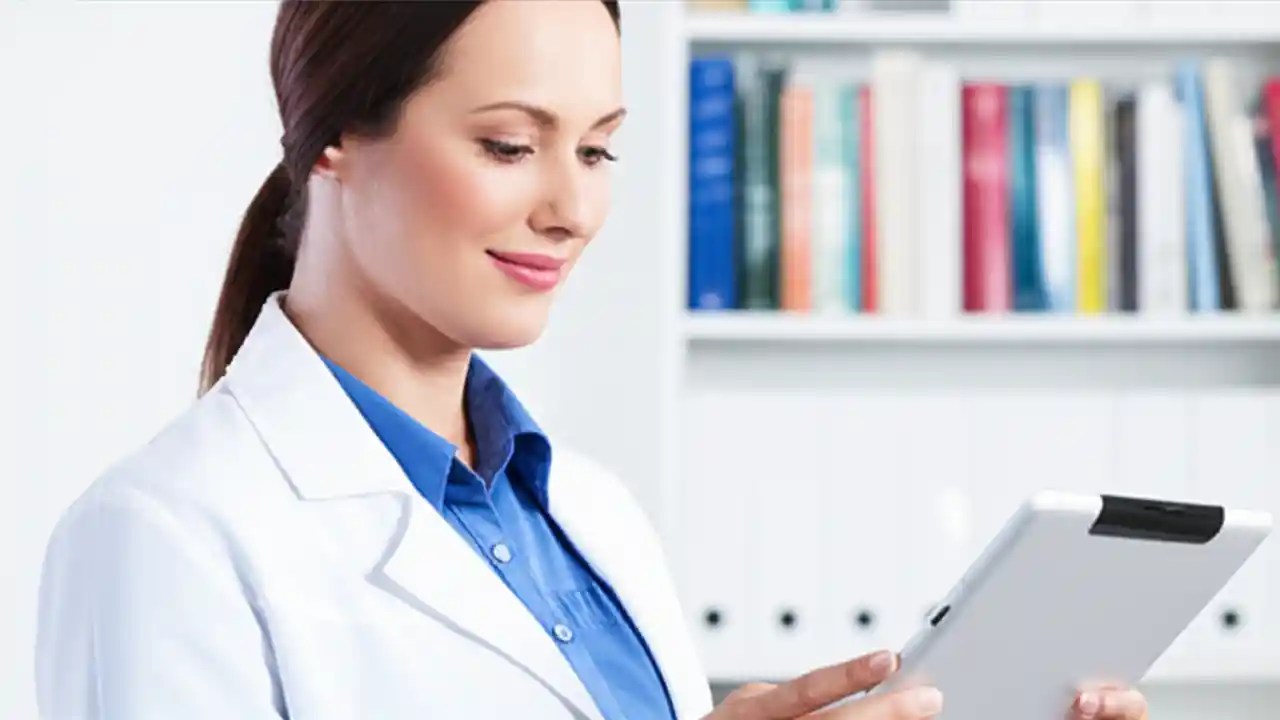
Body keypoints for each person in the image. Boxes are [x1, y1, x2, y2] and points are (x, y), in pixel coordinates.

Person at [34, 2, 1151, 719]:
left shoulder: (591, 514)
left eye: (598, 147)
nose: (571, 208)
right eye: (509, 146)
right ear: (333, 136)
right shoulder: (164, 535)